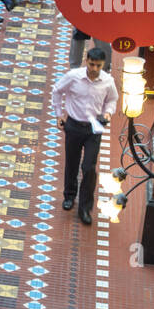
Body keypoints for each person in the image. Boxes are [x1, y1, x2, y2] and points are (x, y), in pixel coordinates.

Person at [52, 47, 118, 227]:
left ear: (103, 65)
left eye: (98, 65)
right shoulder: (74, 76)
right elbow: (57, 90)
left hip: (93, 129)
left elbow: (112, 100)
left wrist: (108, 113)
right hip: (73, 125)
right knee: (72, 163)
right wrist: (59, 115)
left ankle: (85, 208)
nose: (94, 68)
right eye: (91, 64)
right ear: (86, 61)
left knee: (89, 168)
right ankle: (69, 196)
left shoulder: (108, 81)